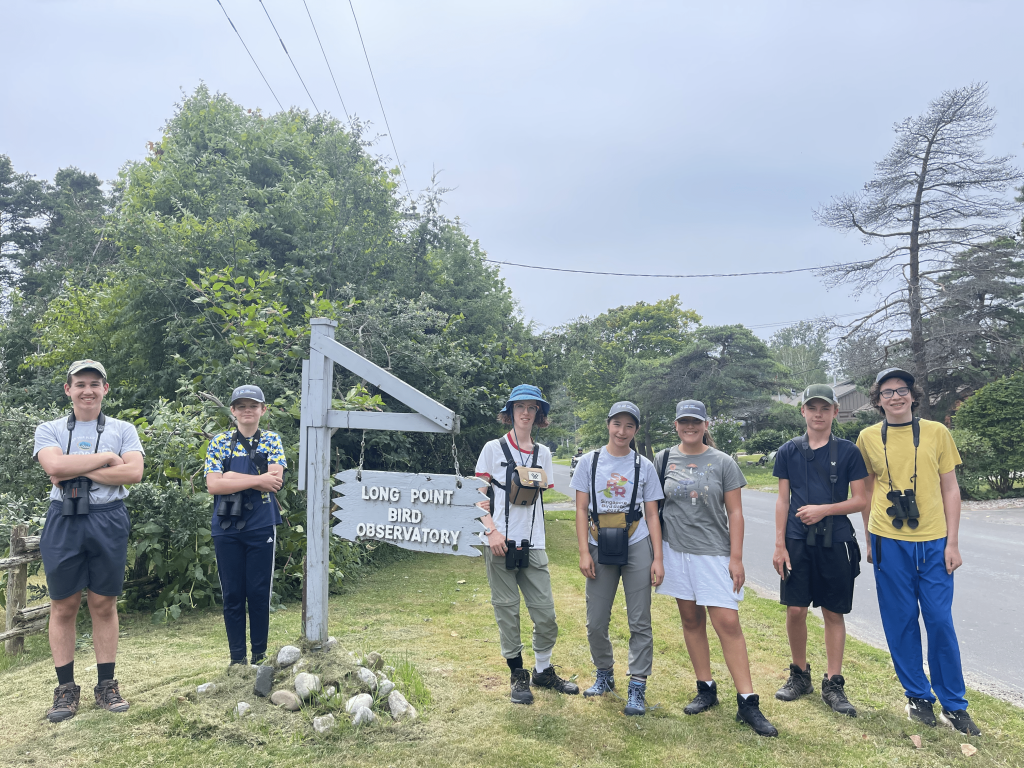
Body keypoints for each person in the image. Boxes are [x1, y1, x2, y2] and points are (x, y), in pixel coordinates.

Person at [856, 368, 980, 736]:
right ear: (877, 400)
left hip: (934, 541)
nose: (895, 396)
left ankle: (954, 705)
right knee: (901, 619)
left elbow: (951, 490)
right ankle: (918, 697)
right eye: (887, 392)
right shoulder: (866, 437)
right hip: (887, 540)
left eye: (902, 390)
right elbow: (864, 494)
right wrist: (868, 540)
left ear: (913, 395)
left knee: (940, 620)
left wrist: (953, 542)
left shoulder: (937, 433)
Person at [654, 399, 778, 737]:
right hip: (676, 551)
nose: (690, 426)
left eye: (696, 421)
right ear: (676, 424)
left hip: (714, 554)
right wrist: (658, 557)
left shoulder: (723, 462)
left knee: (727, 622)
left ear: (706, 424)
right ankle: (706, 688)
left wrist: (735, 558)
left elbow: (735, 513)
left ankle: (748, 701)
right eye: (684, 421)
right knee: (691, 620)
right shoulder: (663, 460)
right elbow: (654, 510)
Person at [34, 360, 145, 723]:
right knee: (63, 605)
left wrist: (73, 466)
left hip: (108, 517)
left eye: (95, 384)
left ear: (105, 389)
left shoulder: (123, 428)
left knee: (104, 603)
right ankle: (65, 690)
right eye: (80, 384)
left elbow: (134, 473)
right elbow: (52, 467)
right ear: (67, 389)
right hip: (63, 519)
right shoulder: (48, 428)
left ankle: (106, 685)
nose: (87, 390)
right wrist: (107, 462)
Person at [474, 385, 579, 704]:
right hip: (499, 543)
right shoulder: (492, 449)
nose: (525, 412)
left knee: (546, 615)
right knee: (507, 612)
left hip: (533, 544)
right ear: (510, 412)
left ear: (539, 415)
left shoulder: (543, 454)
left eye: (532, 408)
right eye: (519, 406)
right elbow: (477, 494)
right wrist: (491, 530)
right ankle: (518, 676)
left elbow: (538, 493)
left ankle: (543, 671)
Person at [771, 384, 868, 716]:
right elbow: (782, 500)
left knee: (832, 612)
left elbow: (861, 499)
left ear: (835, 412)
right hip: (796, 541)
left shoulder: (849, 452)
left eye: (825, 408)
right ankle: (800, 675)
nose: (818, 413)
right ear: (802, 412)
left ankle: (834, 682)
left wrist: (824, 510)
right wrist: (779, 544)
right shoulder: (788, 451)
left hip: (836, 539)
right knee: (795, 610)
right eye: (812, 407)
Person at [570, 402, 665, 716]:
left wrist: (657, 559)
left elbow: (653, 514)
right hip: (599, 544)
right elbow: (581, 509)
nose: (622, 432)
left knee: (640, 621)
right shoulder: (589, 462)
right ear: (608, 425)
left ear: (635, 430)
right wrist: (585, 551)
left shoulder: (644, 466)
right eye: (617, 424)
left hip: (636, 543)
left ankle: (637, 686)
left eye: (629, 426)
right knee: (595, 621)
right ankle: (605, 674)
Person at [203, 385, 286, 666]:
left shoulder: (272, 440)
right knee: (233, 595)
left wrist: (232, 476)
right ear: (233, 411)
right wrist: (255, 479)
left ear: (264, 410)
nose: (247, 411)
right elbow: (213, 485)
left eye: (253, 405)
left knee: (259, 593)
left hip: (262, 525)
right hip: (226, 527)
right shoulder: (219, 442)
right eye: (241, 406)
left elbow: (274, 481)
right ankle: (237, 661)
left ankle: (259, 657)